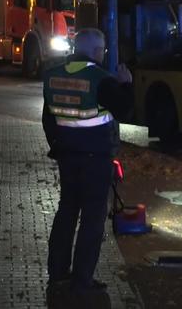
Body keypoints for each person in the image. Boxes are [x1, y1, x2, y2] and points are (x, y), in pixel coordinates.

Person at [42, 28, 133, 292]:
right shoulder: (101, 79)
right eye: (102, 49)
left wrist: (58, 146)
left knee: (67, 211)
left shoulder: (53, 76)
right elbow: (125, 111)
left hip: (67, 157)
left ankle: (58, 272)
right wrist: (126, 84)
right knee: (93, 217)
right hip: (96, 159)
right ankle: (82, 279)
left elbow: (48, 119)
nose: (103, 53)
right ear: (96, 51)